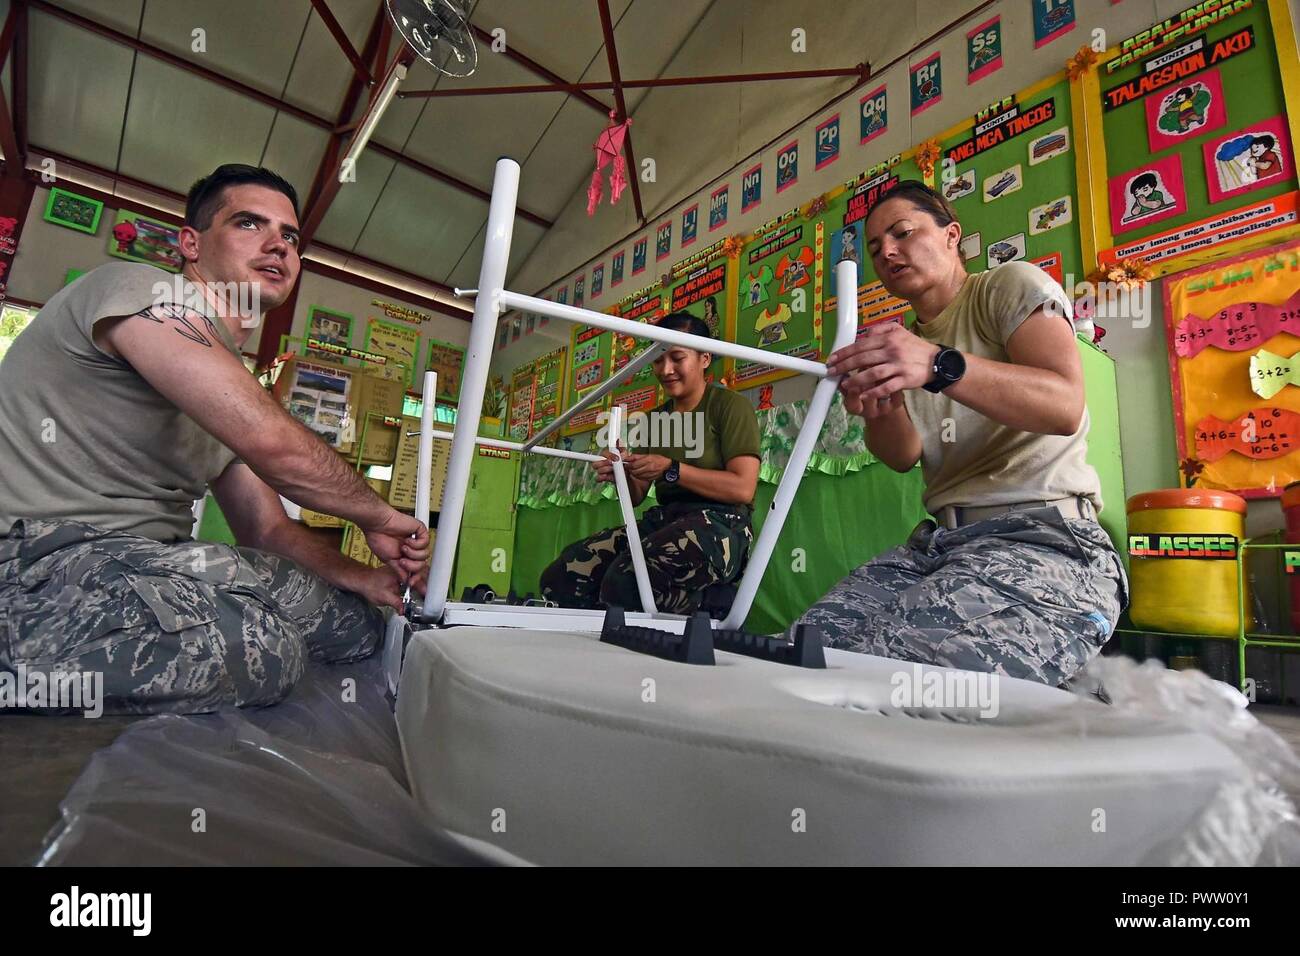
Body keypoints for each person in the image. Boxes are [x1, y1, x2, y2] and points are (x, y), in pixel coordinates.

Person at [0, 164, 430, 714]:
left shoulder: (229, 381)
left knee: (358, 627)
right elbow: (271, 442)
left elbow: (267, 527)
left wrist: (367, 579)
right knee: (263, 650)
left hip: (150, 562)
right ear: (191, 243)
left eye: (291, 236)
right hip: (39, 558)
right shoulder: (142, 290)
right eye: (249, 223)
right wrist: (381, 518)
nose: (278, 244)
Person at [795, 180, 1127, 687]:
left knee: (888, 680)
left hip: (1047, 541)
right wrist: (878, 408)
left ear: (952, 236)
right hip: (942, 546)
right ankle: (1060, 682)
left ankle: (1071, 686)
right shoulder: (906, 342)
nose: (886, 251)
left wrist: (938, 365)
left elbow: (1064, 404)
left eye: (903, 233)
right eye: (875, 247)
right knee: (802, 652)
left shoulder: (1005, 286)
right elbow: (903, 455)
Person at [540, 313, 760, 614]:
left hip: (723, 526)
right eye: (658, 360)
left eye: (677, 358)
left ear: (705, 358)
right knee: (562, 579)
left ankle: (715, 603)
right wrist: (621, 473)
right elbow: (636, 495)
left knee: (626, 582)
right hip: (666, 521)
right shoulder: (654, 420)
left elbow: (743, 488)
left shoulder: (730, 406)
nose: (666, 370)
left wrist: (672, 469)